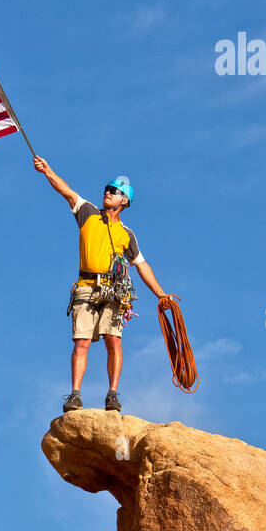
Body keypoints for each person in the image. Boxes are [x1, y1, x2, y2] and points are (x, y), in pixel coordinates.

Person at [33, 157, 174, 413]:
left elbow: (141, 265)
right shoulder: (88, 213)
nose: (108, 193)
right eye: (107, 189)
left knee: (113, 340)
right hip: (86, 287)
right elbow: (65, 190)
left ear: (125, 201)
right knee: (82, 342)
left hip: (114, 291)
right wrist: (47, 170)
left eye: (115, 191)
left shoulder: (127, 235)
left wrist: (161, 294)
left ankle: (112, 394)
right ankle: (75, 394)